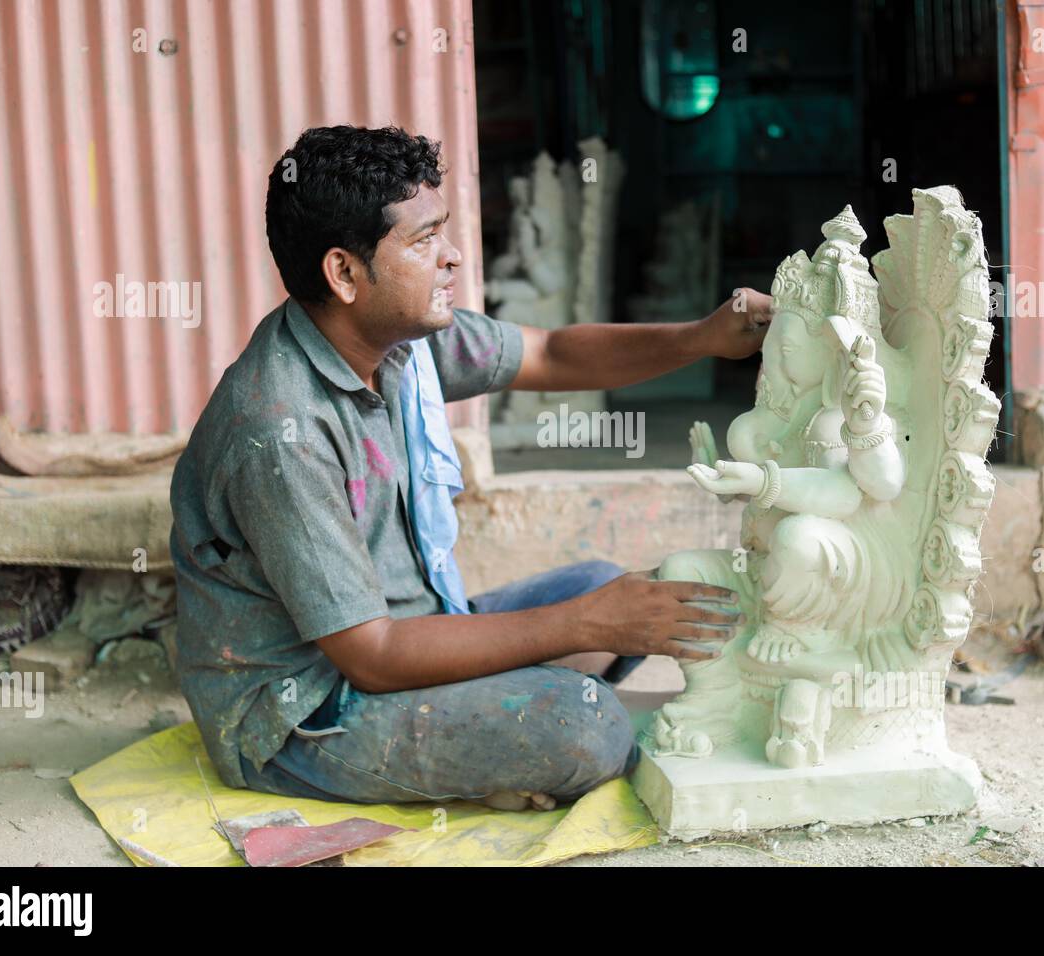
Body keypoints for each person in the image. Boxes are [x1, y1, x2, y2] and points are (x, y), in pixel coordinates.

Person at [168, 125, 773, 810]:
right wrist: (586, 625)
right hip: (306, 710)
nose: (452, 258)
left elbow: (554, 356)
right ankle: (493, 748)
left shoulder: (396, 344)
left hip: (410, 628)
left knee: (604, 586)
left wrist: (705, 337)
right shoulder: (280, 431)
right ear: (344, 273)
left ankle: (493, 741)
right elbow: (373, 654)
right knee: (589, 722)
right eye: (424, 241)